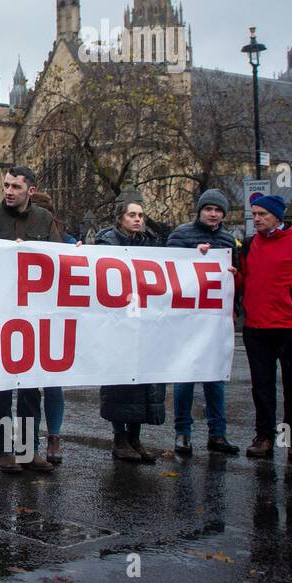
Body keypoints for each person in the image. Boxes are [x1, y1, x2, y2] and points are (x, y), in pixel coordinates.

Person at [0, 167, 60, 473]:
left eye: (15, 186)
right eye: (6, 185)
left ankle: (27, 451)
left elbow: (58, 258)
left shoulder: (43, 220)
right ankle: (3, 452)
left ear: (31, 190)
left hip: (32, 316)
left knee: (30, 389)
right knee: (0, 389)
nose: (8, 191)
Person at [238, 192, 292, 464]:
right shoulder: (250, 245)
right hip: (256, 327)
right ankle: (263, 437)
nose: (256, 219)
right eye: (254, 214)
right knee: (261, 387)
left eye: (262, 214)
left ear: (277, 216)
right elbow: (241, 281)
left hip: (289, 327)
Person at [164, 189, 240, 457]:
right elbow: (168, 270)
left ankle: (217, 434)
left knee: (215, 377)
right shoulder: (181, 235)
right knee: (185, 377)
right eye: (208, 209)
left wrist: (233, 281)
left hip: (214, 319)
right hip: (186, 318)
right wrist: (194, 257)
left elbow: (234, 278)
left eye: (218, 210)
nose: (213, 214)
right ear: (199, 210)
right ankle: (182, 434)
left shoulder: (227, 238)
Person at [95, 196, 166, 463]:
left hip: (144, 323)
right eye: (132, 215)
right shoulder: (107, 244)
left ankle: (135, 437)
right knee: (120, 384)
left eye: (141, 215)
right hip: (117, 323)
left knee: (144, 382)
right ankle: (119, 438)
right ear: (119, 218)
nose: (138, 219)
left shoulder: (151, 243)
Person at [28, 191, 71, 461]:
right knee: (30, 387)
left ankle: (53, 437)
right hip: (24, 320)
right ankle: (33, 442)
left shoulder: (65, 241)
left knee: (52, 382)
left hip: (53, 320)